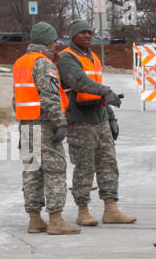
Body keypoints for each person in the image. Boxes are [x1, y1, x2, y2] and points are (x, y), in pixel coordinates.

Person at [57, 19, 136, 227]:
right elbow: (80, 82)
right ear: (72, 35)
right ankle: (83, 210)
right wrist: (105, 92)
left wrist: (110, 116)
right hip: (80, 121)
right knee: (84, 166)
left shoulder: (91, 57)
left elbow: (97, 86)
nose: (87, 36)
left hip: (99, 119)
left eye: (89, 32)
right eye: (82, 32)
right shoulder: (66, 58)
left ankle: (111, 209)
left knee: (108, 163)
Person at [12, 21, 78, 235]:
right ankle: (56, 220)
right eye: (54, 41)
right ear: (49, 42)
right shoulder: (44, 63)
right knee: (55, 169)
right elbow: (50, 97)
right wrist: (60, 122)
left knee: (32, 171)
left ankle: (34, 219)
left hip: (26, 125)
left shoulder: (21, 62)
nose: (56, 45)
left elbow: (16, 98)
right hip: (44, 125)